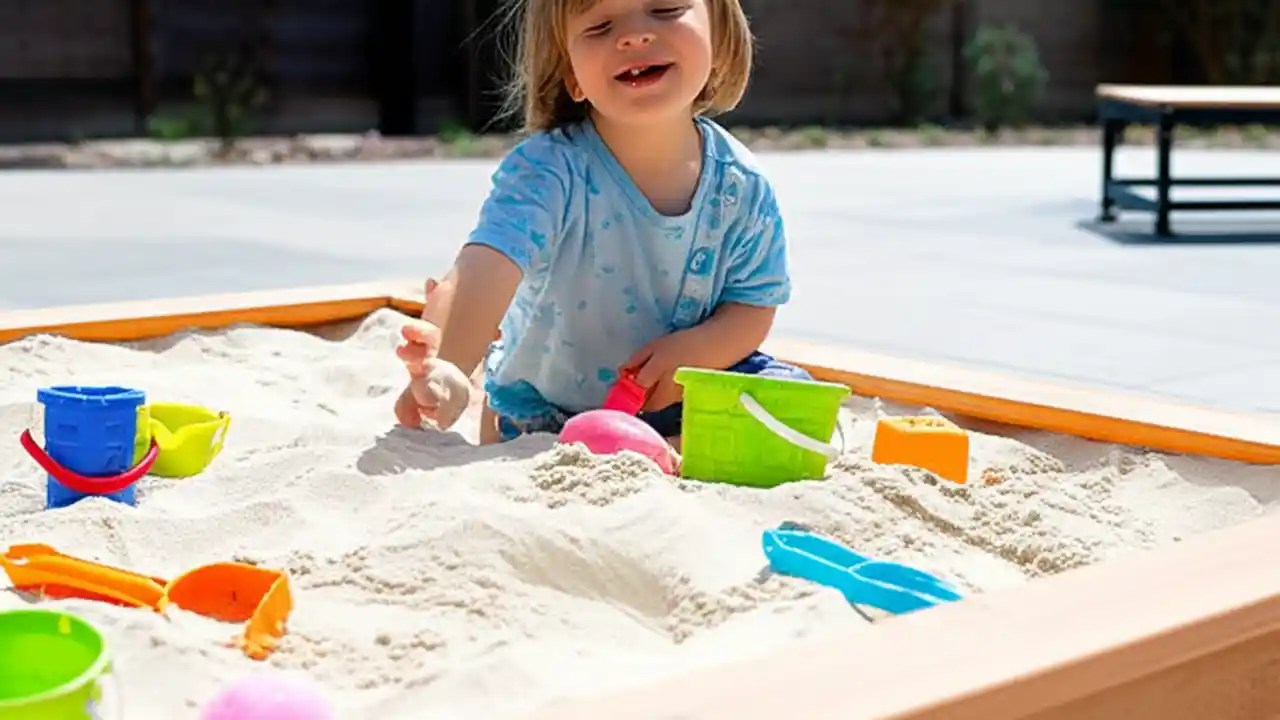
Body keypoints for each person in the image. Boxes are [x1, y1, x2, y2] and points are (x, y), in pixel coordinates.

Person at [393, 0, 813, 446]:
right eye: (600, 27)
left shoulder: (741, 185)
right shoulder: (550, 171)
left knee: (795, 394)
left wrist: (698, 350)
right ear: (571, 74)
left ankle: (671, 453)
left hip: (676, 405)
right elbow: (482, 270)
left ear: (720, 40)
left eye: (666, 8)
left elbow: (751, 305)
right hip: (549, 415)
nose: (633, 36)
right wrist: (449, 367)